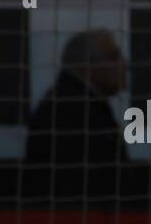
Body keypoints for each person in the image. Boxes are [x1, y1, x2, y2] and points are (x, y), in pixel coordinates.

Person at [24, 29, 130, 201]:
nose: (124, 64)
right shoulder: (72, 111)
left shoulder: (73, 104)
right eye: (113, 57)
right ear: (86, 66)